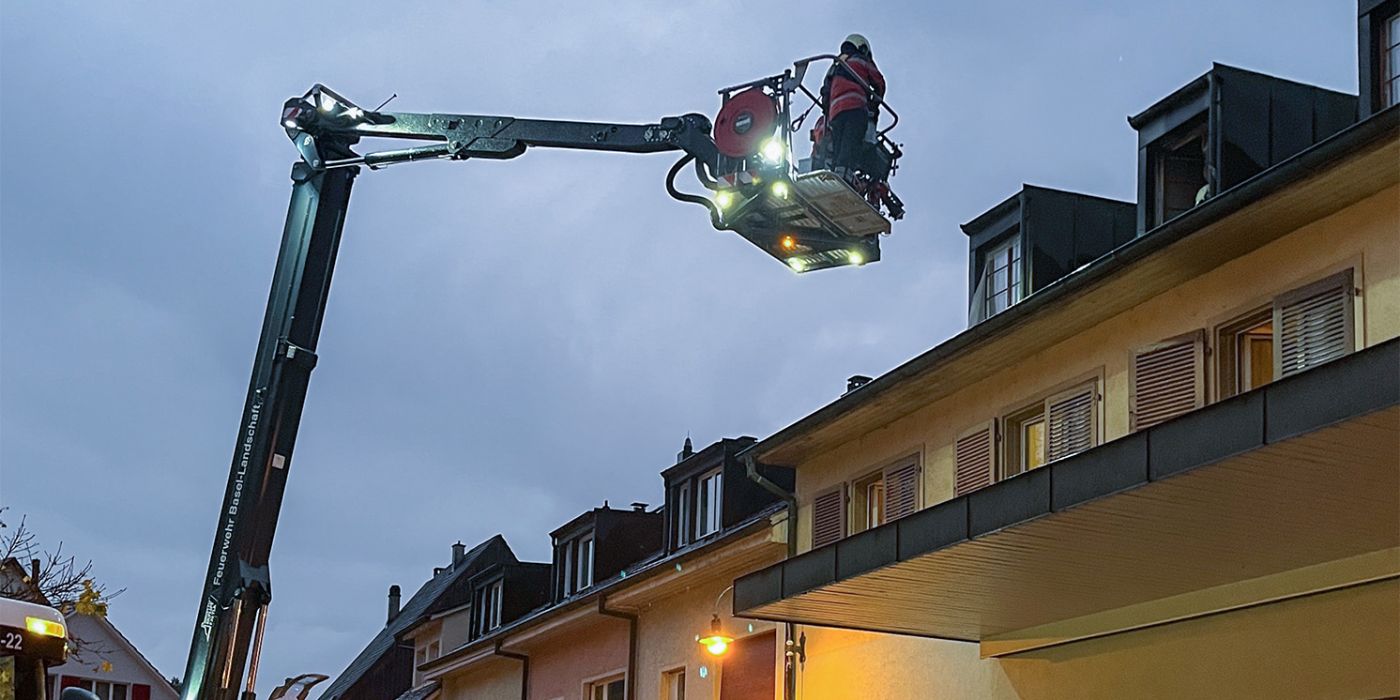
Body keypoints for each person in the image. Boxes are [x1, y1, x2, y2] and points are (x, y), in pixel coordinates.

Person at [821, 33, 886, 182]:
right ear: (862, 48)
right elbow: (880, 83)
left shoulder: (836, 65)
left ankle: (834, 174)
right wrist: (874, 104)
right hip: (855, 107)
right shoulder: (861, 60)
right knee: (852, 141)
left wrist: (828, 110)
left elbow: (825, 92)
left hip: (835, 113)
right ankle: (845, 176)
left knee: (838, 144)